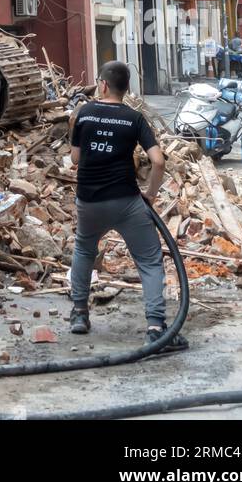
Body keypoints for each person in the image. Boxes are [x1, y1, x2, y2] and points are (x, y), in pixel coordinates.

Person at [68, 61, 187, 349]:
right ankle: (156, 326)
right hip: (126, 201)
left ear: (104, 85)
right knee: (148, 261)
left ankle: (80, 314)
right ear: (126, 88)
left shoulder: (83, 113)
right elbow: (158, 160)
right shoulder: (134, 119)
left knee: (84, 249)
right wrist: (151, 193)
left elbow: (74, 159)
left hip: (89, 200)